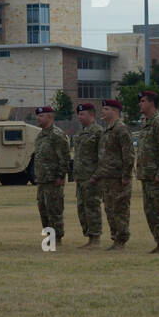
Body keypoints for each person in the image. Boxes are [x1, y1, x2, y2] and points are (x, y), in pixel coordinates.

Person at [91, 99, 134, 251]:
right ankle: (115, 238)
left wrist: (126, 176)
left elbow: (128, 155)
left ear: (115, 111)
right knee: (109, 210)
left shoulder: (121, 129)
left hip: (118, 178)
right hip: (107, 178)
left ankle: (121, 240)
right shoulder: (107, 130)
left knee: (120, 209)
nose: (102, 112)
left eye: (106, 109)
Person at [135, 89, 159, 253]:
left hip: (157, 177)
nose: (140, 104)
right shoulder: (147, 122)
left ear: (152, 102)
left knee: (158, 211)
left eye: (143, 101)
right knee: (150, 211)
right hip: (147, 175)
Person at [32, 104, 71, 245]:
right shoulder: (41, 135)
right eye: (38, 115)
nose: (38, 118)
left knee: (54, 210)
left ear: (50, 117)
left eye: (41, 116)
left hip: (53, 180)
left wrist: (61, 176)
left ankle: (57, 239)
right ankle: (49, 238)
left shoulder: (57, 135)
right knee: (44, 210)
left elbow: (64, 157)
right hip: (42, 180)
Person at [73, 103, 104, 248]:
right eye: (78, 114)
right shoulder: (81, 133)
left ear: (91, 115)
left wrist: (96, 176)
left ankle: (96, 238)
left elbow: (102, 157)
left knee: (92, 207)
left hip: (92, 178)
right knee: (82, 208)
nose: (79, 117)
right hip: (81, 178)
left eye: (82, 114)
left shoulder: (98, 132)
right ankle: (89, 236)